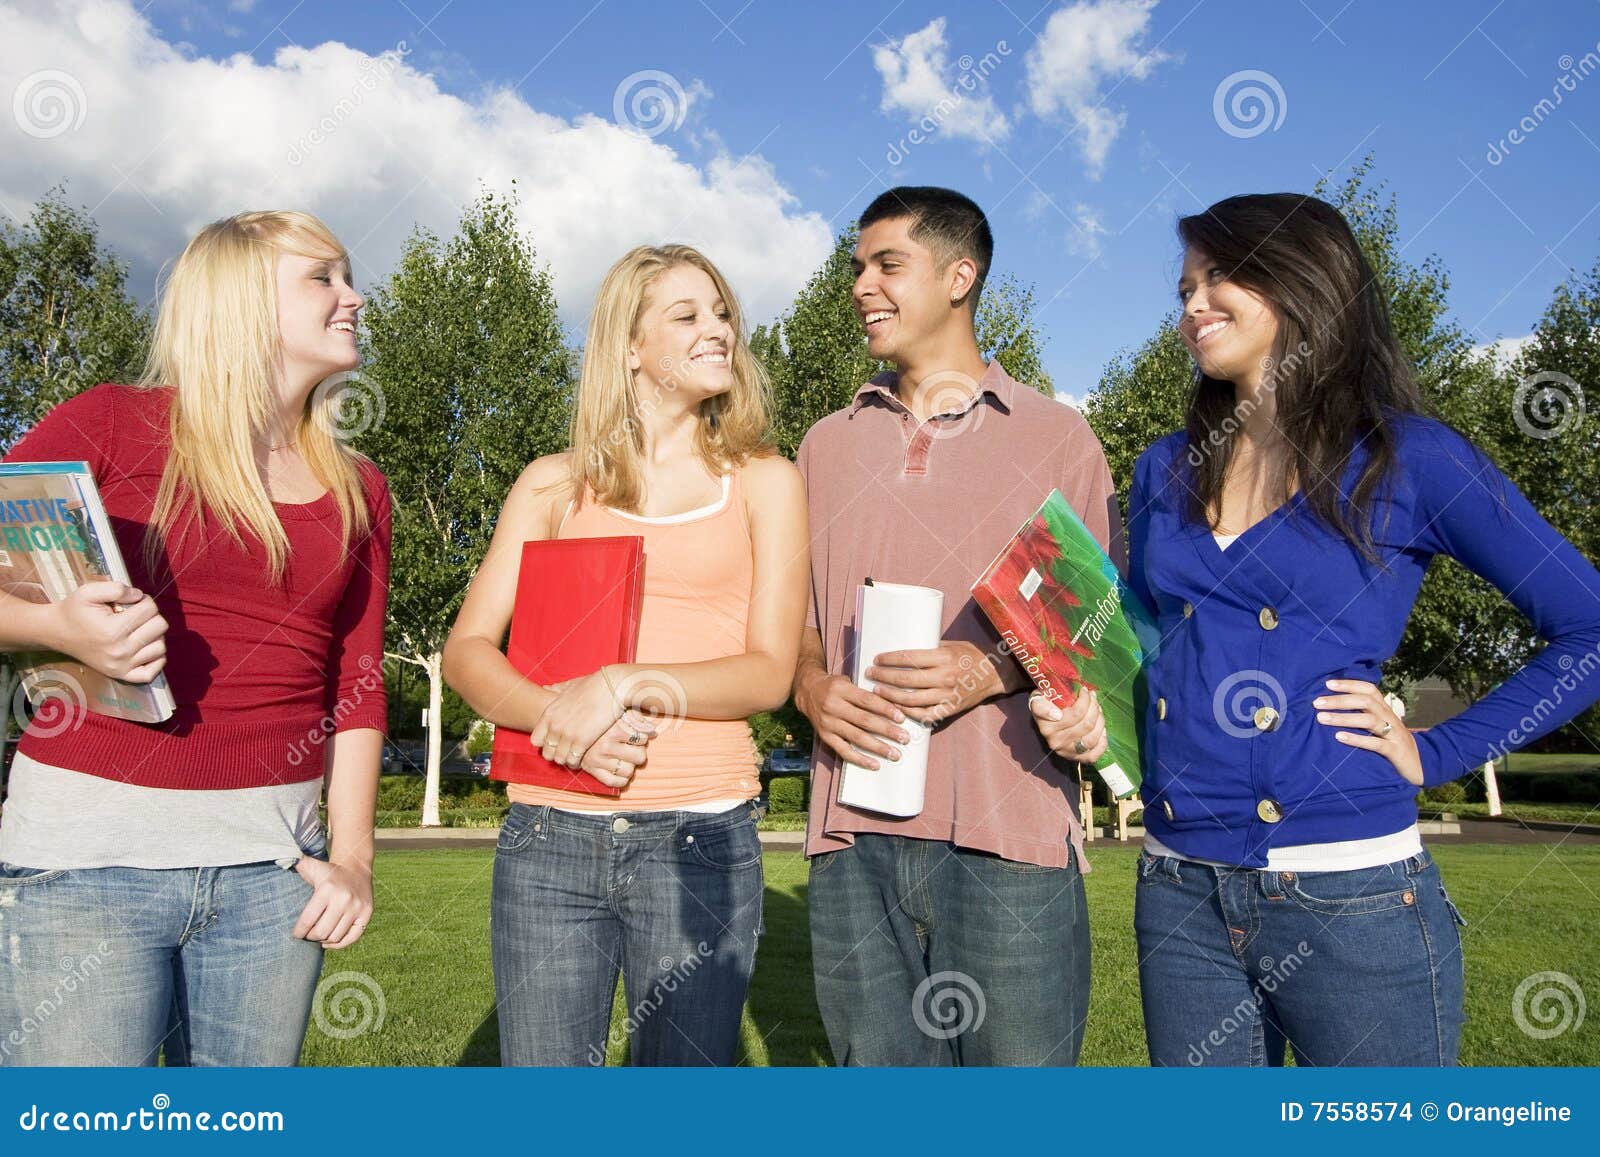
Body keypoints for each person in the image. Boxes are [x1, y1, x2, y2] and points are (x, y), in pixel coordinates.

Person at [1111, 192, 1600, 1066]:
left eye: (1218, 278)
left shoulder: (1412, 458)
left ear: (1303, 282)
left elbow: (1587, 628)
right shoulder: (1164, 468)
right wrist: (1096, 719)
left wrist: (1438, 751)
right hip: (1177, 887)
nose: (1191, 306)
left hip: (1353, 892)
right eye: (1183, 289)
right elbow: (1146, 641)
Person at [0, 211, 391, 1066]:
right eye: (322, 277)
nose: (354, 297)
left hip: (274, 878)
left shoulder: (359, 487)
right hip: (86, 866)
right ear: (243, 300)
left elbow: (357, 684)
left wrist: (355, 860)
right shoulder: (109, 423)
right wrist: (53, 626)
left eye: (348, 276)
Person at [443, 244, 807, 1066]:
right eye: (688, 315)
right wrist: (558, 716)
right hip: (549, 835)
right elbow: (466, 651)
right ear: (631, 347)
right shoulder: (551, 484)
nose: (718, 329)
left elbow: (769, 671)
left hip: (701, 840)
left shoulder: (765, 481)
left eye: (723, 313)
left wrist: (621, 683)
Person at [793, 187, 1121, 1066]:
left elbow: (1100, 625)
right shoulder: (823, 445)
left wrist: (991, 668)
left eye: (887, 264)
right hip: (851, 834)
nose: (861, 285)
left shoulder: (1059, 438)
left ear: (959, 277)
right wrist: (811, 685)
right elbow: (794, 626)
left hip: (1009, 835)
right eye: (857, 267)